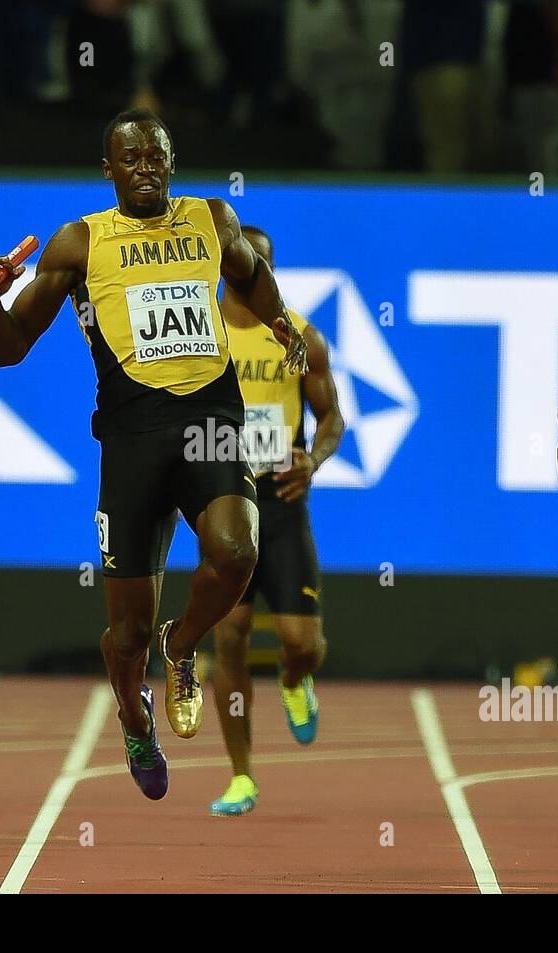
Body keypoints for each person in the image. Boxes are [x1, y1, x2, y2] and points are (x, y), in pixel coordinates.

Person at [0, 109, 307, 801]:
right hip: (130, 438)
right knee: (124, 634)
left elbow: (253, 275)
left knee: (237, 550)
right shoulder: (80, 241)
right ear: (109, 170)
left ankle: (182, 644)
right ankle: (134, 717)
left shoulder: (211, 218)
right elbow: (9, 346)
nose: (145, 168)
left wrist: (279, 322)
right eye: (130, 159)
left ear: (171, 160)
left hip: (209, 416)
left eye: (155, 156)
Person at [207, 225, 342, 817]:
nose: (251, 274)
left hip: (281, 504)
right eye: (242, 263)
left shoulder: (299, 337)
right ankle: (241, 775)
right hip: (221, 505)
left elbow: (332, 415)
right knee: (229, 636)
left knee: (301, 642)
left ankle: (294, 680)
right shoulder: (198, 334)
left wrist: (312, 457)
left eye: (262, 266)